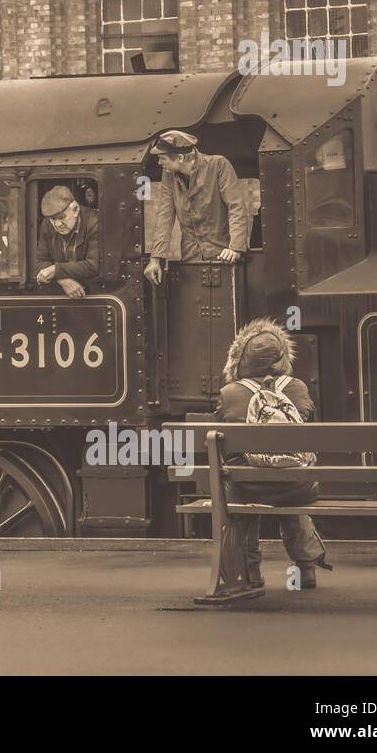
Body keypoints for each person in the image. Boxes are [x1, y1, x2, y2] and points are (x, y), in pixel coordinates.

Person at [213, 317, 333, 599]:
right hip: (297, 487)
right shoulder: (298, 388)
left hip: (248, 487)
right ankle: (305, 567)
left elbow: (219, 438)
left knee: (241, 484)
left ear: (240, 360)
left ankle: (251, 573)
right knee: (293, 479)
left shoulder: (229, 394)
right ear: (281, 359)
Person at [143, 130, 250, 286]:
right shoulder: (169, 174)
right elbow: (164, 216)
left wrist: (235, 249)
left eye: (162, 158)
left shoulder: (219, 165)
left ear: (180, 158)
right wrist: (155, 259)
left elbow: (236, 207)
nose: (159, 163)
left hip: (225, 256)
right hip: (191, 258)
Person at [35, 185, 99, 298]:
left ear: (75, 210)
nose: (58, 224)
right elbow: (39, 262)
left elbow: (93, 265)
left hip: (92, 294)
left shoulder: (94, 223)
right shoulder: (47, 224)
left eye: (62, 217)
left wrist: (56, 270)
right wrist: (62, 279)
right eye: (53, 219)